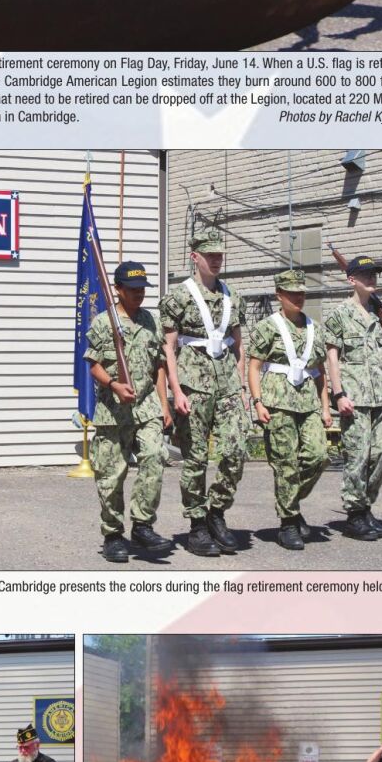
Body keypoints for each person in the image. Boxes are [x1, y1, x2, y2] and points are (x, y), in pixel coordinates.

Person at [159, 228, 248, 557]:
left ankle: (216, 512)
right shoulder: (177, 297)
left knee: (236, 451)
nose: (216, 259)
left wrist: (240, 386)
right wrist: (175, 390)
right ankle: (197, 524)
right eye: (209, 254)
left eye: (219, 254)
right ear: (194, 257)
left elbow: (239, 345)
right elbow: (168, 348)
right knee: (195, 459)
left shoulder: (232, 297)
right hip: (192, 386)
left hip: (226, 385)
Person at [84, 259, 173, 564]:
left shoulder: (150, 321)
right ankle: (112, 534)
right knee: (111, 475)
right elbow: (93, 364)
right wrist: (113, 384)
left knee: (155, 457)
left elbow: (159, 365)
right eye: (132, 289)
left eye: (142, 289)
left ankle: (143, 524)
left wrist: (164, 404)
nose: (139, 294)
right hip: (113, 409)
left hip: (147, 405)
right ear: (118, 289)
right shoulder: (103, 322)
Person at [324, 255, 382, 540]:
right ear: (352, 280)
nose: (372, 278)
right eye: (366, 275)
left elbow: (379, 359)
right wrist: (338, 394)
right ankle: (354, 514)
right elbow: (332, 359)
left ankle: (364, 506)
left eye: (374, 274)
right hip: (355, 398)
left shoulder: (378, 316)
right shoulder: (339, 314)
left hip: (381, 396)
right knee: (358, 456)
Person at [248, 268, 332, 550]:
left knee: (317, 456)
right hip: (277, 402)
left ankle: (292, 504)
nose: (298, 297)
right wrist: (257, 402)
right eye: (292, 293)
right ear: (279, 295)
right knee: (285, 464)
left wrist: (326, 406)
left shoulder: (315, 328)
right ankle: (288, 523)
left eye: (301, 293)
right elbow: (254, 366)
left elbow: (320, 371)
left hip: (308, 402)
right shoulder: (267, 327)